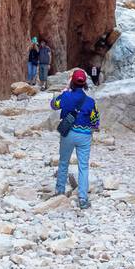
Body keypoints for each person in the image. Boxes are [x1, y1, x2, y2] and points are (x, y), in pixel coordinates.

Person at [50, 69, 100, 209]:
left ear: (72, 82)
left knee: (64, 162)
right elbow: (95, 121)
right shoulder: (90, 102)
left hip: (68, 134)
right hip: (84, 137)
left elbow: (53, 105)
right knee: (83, 166)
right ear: (84, 83)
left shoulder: (65, 97)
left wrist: (65, 90)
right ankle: (83, 199)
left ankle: (60, 191)